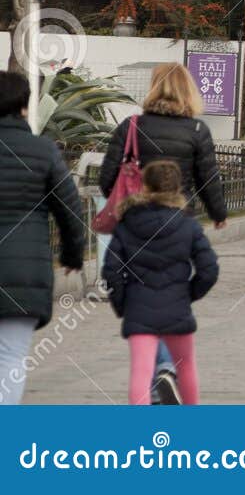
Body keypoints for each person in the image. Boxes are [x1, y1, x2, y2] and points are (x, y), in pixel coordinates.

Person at [98, 62, 227, 405]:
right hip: (178, 224)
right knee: (168, 292)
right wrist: (218, 214)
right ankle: (168, 371)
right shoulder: (197, 130)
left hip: (135, 223)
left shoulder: (132, 126)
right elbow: (208, 177)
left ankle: (160, 372)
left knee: (142, 298)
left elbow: (107, 177)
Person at [0, 70, 86, 406]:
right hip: (25, 276)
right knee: (11, 358)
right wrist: (73, 257)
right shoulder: (43, 151)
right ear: (24, 107)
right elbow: (70, 210)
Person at [104, 160, 218, 406]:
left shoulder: (127, 224)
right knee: (186, 367)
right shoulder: (188, 225)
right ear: (177, 188)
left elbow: (111, 270)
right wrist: (188, 293)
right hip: (177, 308)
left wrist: (123, 303)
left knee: (141, 372)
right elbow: (209, 268)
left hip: (138, 307)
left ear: (145, 186)